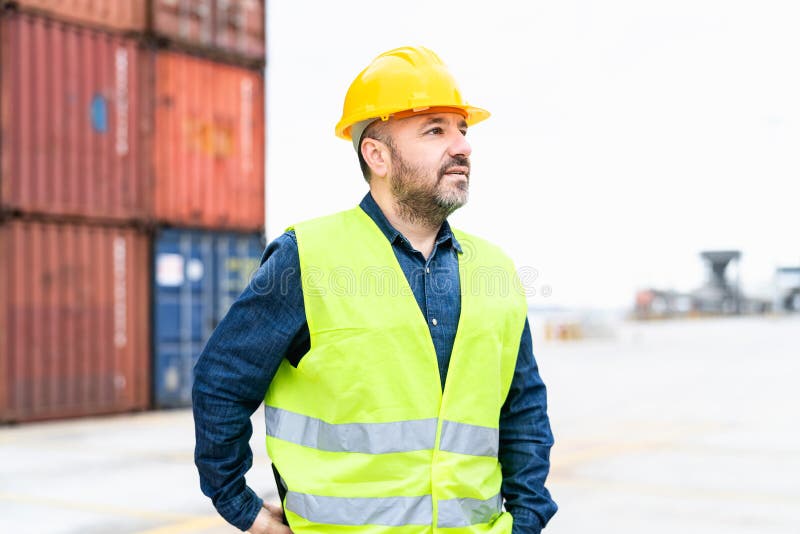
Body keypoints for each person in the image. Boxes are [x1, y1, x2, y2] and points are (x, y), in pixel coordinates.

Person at [193, 45, 557, 534]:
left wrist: (527, 521)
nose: (463, 147)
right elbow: (220, 385)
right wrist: (243, 510)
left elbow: (524, 410)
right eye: (435, 130)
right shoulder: (307, 258)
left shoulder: (496, 269)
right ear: (377, 155)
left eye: (462, 129)